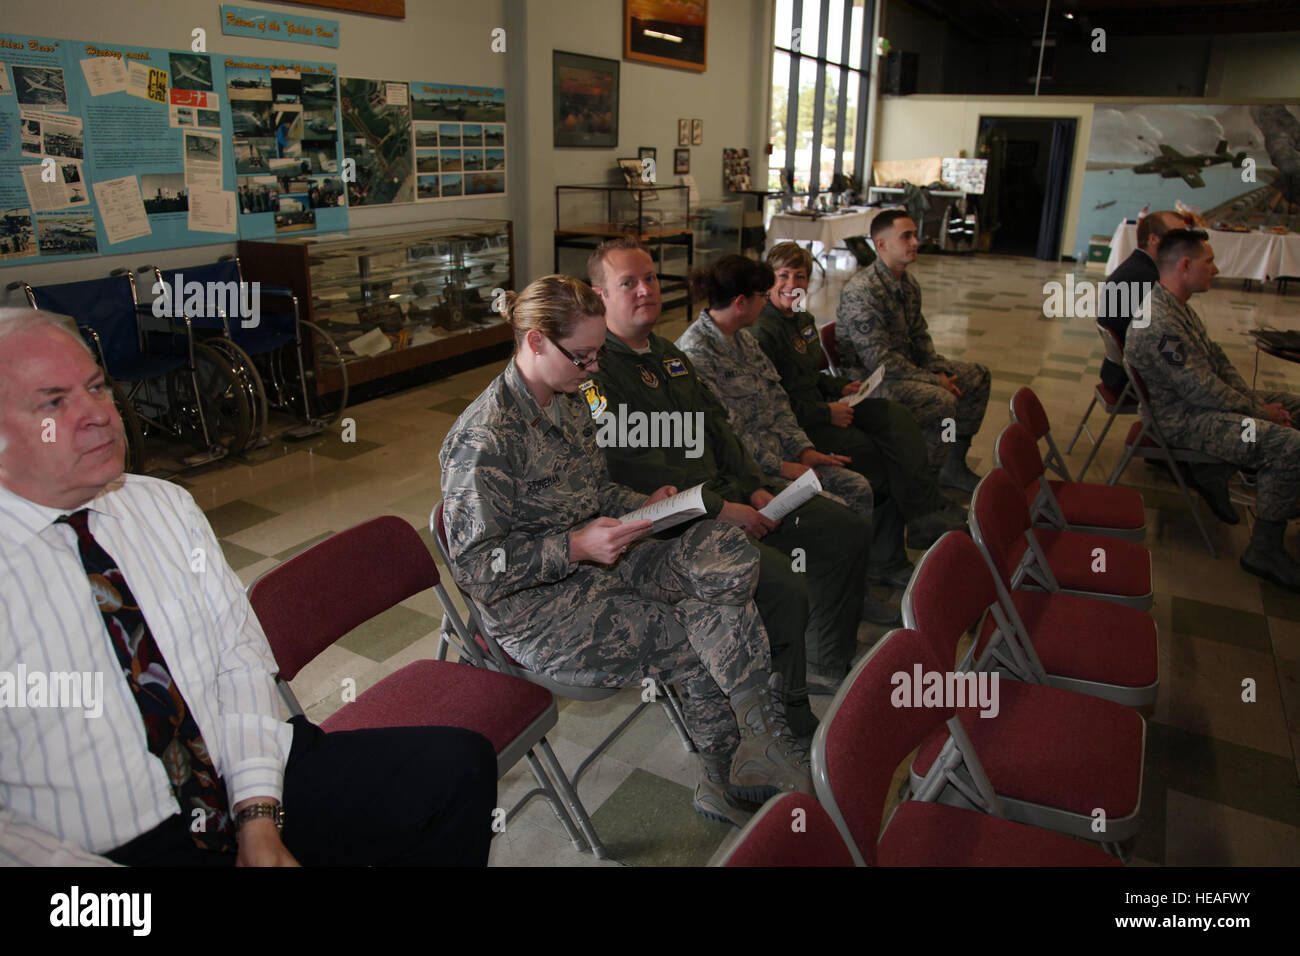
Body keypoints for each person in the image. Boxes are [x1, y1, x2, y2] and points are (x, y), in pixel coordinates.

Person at [0, 308, 496, 866]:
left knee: (457, 766)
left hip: (243, 778)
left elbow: (239, 660)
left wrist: (258, 816)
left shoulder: (161, 505)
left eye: (96, 386)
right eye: (53, 402)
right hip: (112, 846)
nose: (95, 414)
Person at [438, 275, 810, 828]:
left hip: (605, 556)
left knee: (722, 554)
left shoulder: (571, 398)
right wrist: (573, 546)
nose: (593, 370)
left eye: (596, 356)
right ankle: (728, 771)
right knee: (695, 626)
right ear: (536, 341)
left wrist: (649, 504)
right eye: (583, 357)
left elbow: (592, 491)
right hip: (540, 609)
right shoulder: (484, 439)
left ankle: (756, 737)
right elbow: (475, 569)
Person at [584, 238, 874, 705]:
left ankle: (825, 658)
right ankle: (782, 715)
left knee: (846, 530)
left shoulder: (669, 355)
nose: (646, 290)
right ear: (600, 296)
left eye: (651, 278)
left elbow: (719, 429)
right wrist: (723, 508)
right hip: (677, 524)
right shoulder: (596, 373)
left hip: (734, 496)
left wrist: (757, 489)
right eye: (628, 283)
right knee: (782, 585)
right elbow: (633, 468)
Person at [676, 254, 901, 625]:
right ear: (740, 303)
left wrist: (804, 449)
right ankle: (820, 608)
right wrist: (781, 466)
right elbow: (729, 439)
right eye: (762, 294)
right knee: (837, 510)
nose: (768, 302)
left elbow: (778, 402)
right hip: (753, 475)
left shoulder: (744, 341)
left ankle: (848, 592)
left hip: (784, 457)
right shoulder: (697, 354)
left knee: (858, 487)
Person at [753, 241, 967, 569]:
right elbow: (774, 404)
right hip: (799, 425)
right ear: (768, 280)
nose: (792, 285)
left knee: (896, 416)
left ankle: (924, 511)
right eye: (783, 276)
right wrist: (827, 411)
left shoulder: (801, 318)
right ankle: (886, 559)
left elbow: (812, 375)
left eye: (800, 276)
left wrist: (842, 386)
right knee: (874, 454)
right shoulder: (762, 330)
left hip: (824, 404)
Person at [1125, 229, 1300, 591]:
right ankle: (1264, 550)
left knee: (1292, 404)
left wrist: (1257, 404)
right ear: (1185, 265)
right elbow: (1202, 390)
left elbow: (1216, 363)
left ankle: (1269, 487)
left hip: (1196, 406)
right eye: (1210, 262)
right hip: (1183, 421)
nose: (1216, 269)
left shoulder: (1175, 306)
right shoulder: (1159, 321)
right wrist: (1260, 412)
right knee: (1289, 445)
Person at [834, 211, 991, 491]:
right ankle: (924, 483)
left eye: (915, 235)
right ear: (881, 245)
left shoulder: (908, 284)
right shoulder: (863, 291)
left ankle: (952, 465)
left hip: (901, 371)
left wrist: (938, 369)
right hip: (868, 383)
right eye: (906, 236)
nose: (915, 242)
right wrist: (934, 381)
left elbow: (919, 336)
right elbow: (879, 361)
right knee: (942, 400)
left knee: (977, 377)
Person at [1100, 210, 1183, 396]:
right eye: (1177, 238)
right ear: (1154, 239)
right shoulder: (1145, 278)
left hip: (1117, 371)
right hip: (1130, 379)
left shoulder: (1137, 266)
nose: (1185, 246)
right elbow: (1162, 342)